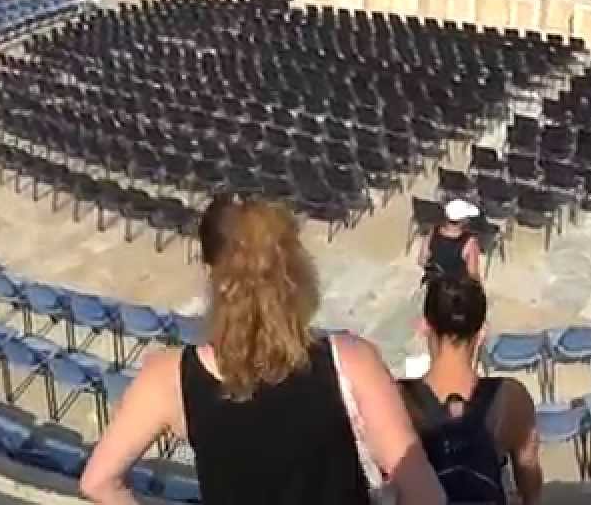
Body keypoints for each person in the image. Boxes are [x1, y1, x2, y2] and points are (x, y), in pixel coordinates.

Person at [81, 196, 446, 505]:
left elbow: (98, 481)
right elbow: (427, 496)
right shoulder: (351, 361)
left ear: (211, 270)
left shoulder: (167, 378)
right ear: (297, 272)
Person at [399, 275, 542, 505]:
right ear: (482, 332)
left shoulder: (396, 400)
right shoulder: (512, 397)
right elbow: (530, 483)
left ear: (424, 326)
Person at [419, 199, 483, 282]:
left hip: (435, 283)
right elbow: (472, 272)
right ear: (464, 220)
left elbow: (421, 260)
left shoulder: (432, 232)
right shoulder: (470, 242)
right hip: (456, 286)